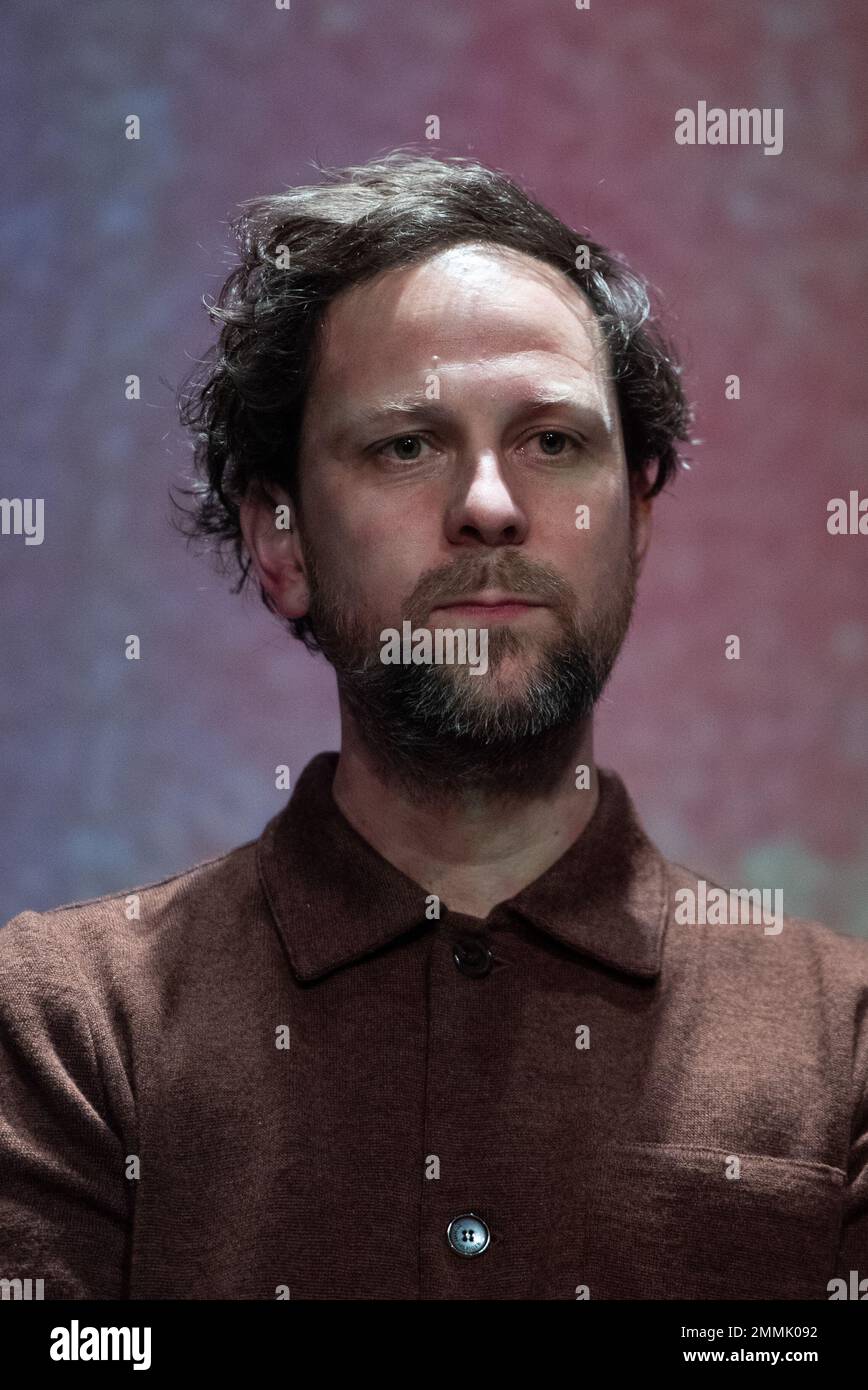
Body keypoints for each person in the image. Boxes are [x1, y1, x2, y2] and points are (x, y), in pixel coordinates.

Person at [1, 152, 866, 1301]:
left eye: (553, 441)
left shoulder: (843, 1040)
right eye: (405, 445)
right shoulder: (67, 1023)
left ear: (637, 519)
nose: (491, 504)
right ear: (281, 542)